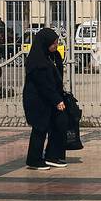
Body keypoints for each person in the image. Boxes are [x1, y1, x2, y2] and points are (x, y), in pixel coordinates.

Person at [22, 27, 68, 170]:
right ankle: (34, 159)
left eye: (57, 43)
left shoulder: (52, 56)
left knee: (57, 125)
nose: (56, 46)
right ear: (44, 43)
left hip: (52, 98)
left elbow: (57, 78)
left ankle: (52, 156)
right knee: (40, 129)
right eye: (53, 43)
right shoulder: (36, 61)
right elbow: (43, 84)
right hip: (37, 100)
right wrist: (57, 100)